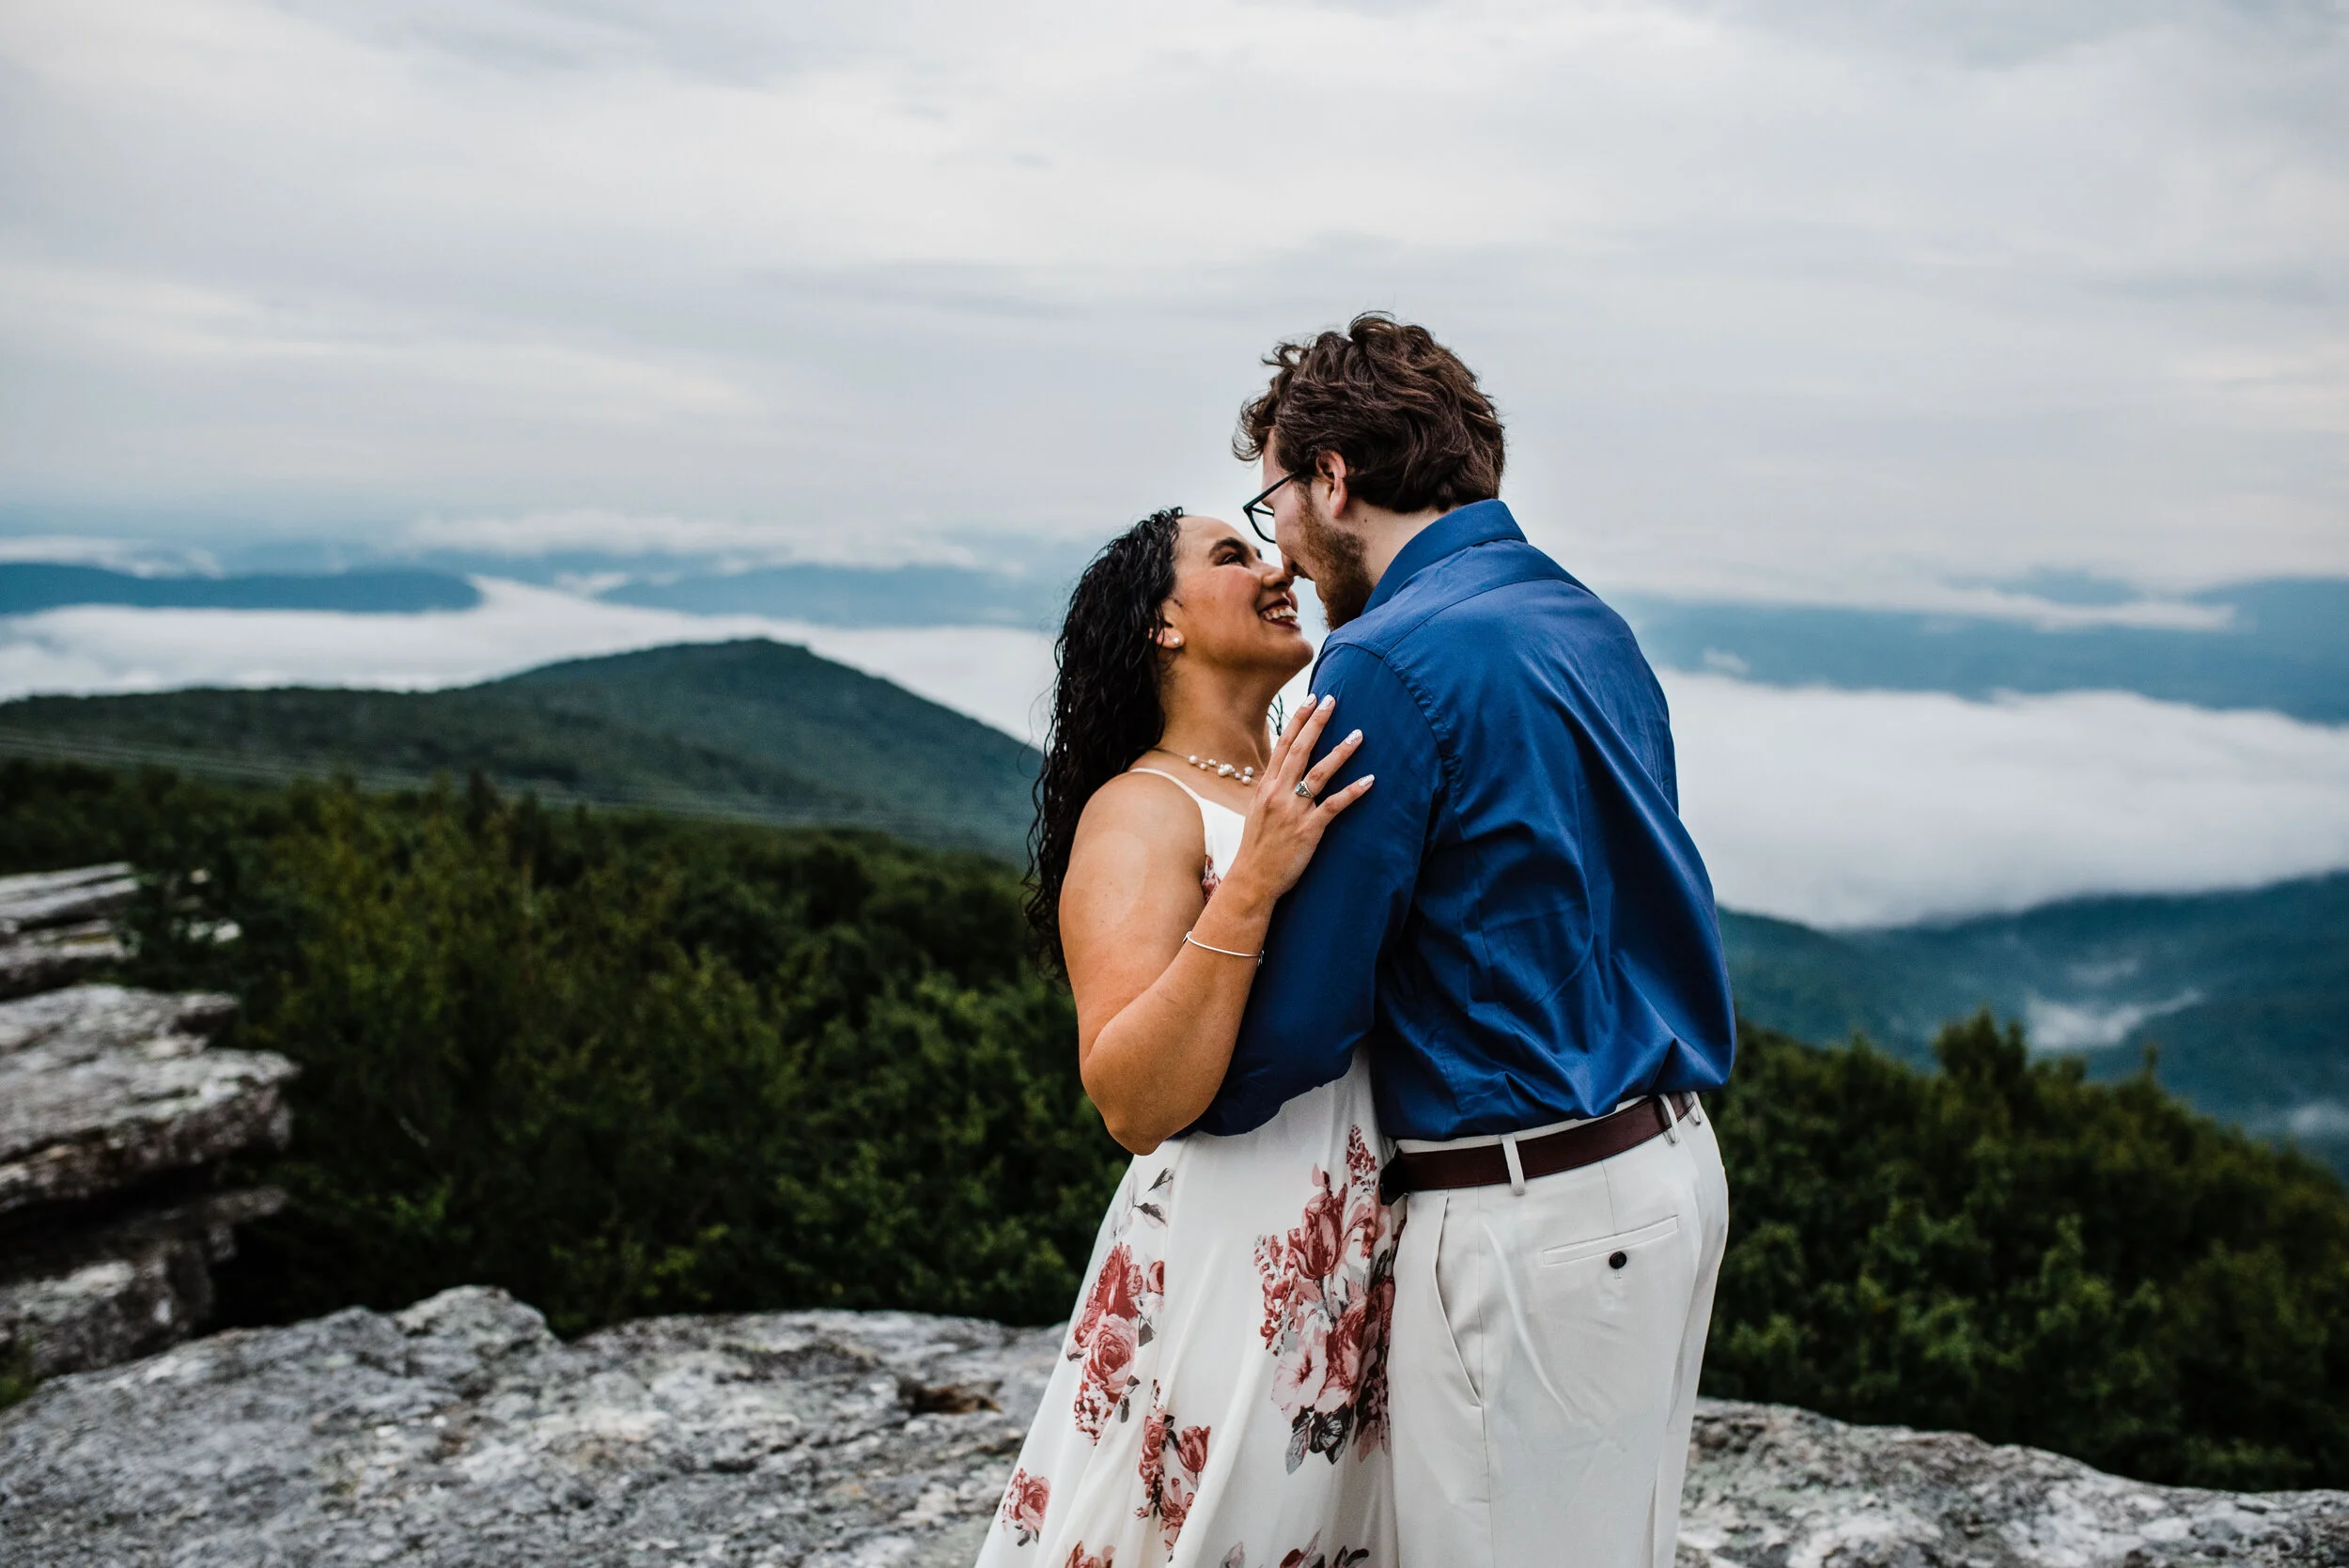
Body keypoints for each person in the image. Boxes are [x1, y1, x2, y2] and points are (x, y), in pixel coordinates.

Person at [1209, 314, 1736, 1568]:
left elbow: (1305, 1015)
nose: (1279, 532)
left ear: (1333, 478)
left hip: (1529, 1213)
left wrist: (1168, 1086)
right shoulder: (1584, 621)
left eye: (1273, 491)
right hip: (1664, 1169)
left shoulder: (1385, 665)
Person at [975, 506, 1398, 1568]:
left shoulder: (1302, 769)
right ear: (1160, 624)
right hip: (1231, 1258)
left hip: (1360, 1243)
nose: (1275, 571)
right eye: (1232, 556)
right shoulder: (1140, 810)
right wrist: (1249, 883)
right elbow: (1130, 1096)